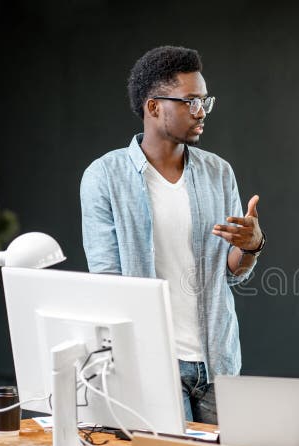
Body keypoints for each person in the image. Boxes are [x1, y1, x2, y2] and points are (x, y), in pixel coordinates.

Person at [80, 45, 265, 424]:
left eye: (205, 101)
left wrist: (251, 246)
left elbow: (232, 273)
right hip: (151, 365)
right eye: (191, 101)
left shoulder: (218, 172)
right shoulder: (105, 177)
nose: (202, 112)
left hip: (218, 361)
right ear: (153, 107)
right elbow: (107, 283)